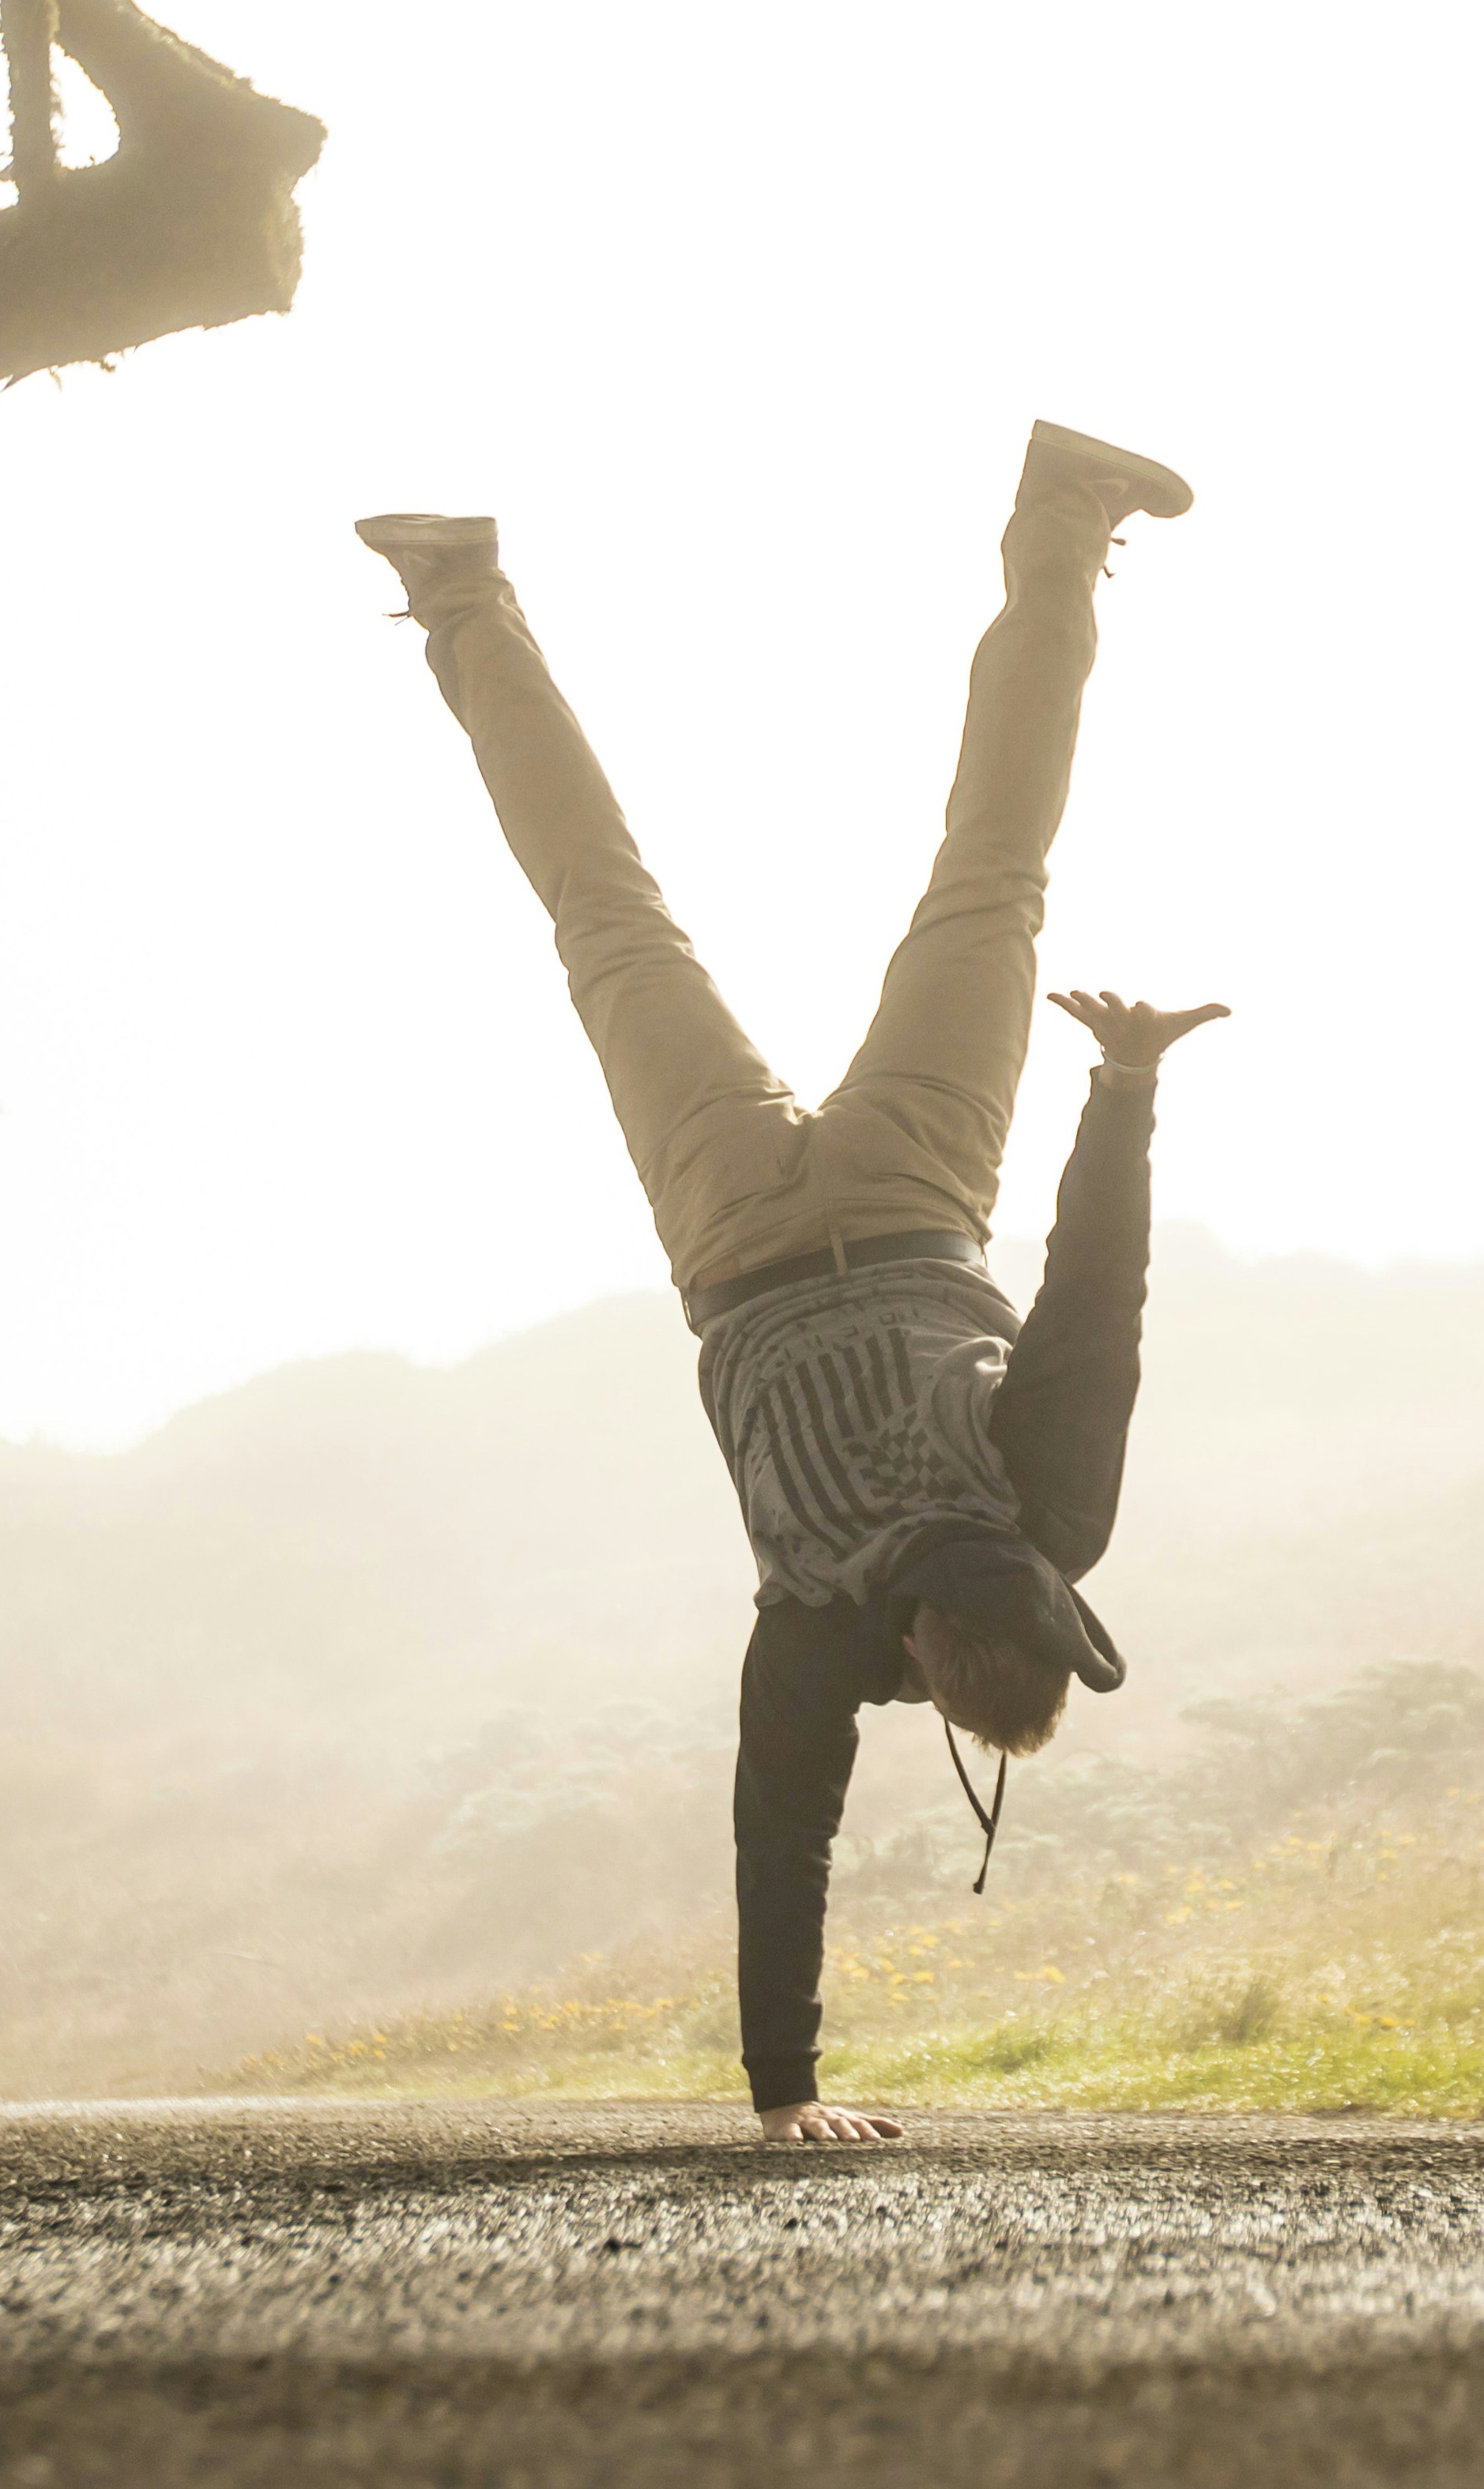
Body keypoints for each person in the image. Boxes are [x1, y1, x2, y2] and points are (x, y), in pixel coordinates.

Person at [353, 421, 1225, 2147]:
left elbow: (1094, 1308)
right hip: (734, 1238)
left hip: (912, 1192)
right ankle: (458, 591)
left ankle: (1060, 514)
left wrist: (1122, 1092)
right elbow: (781, 1836)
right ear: (925, 1652)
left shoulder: (1053, 1516)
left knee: (992, 872)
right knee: (608, 921)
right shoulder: (821, 1631)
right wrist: (784, 2097)